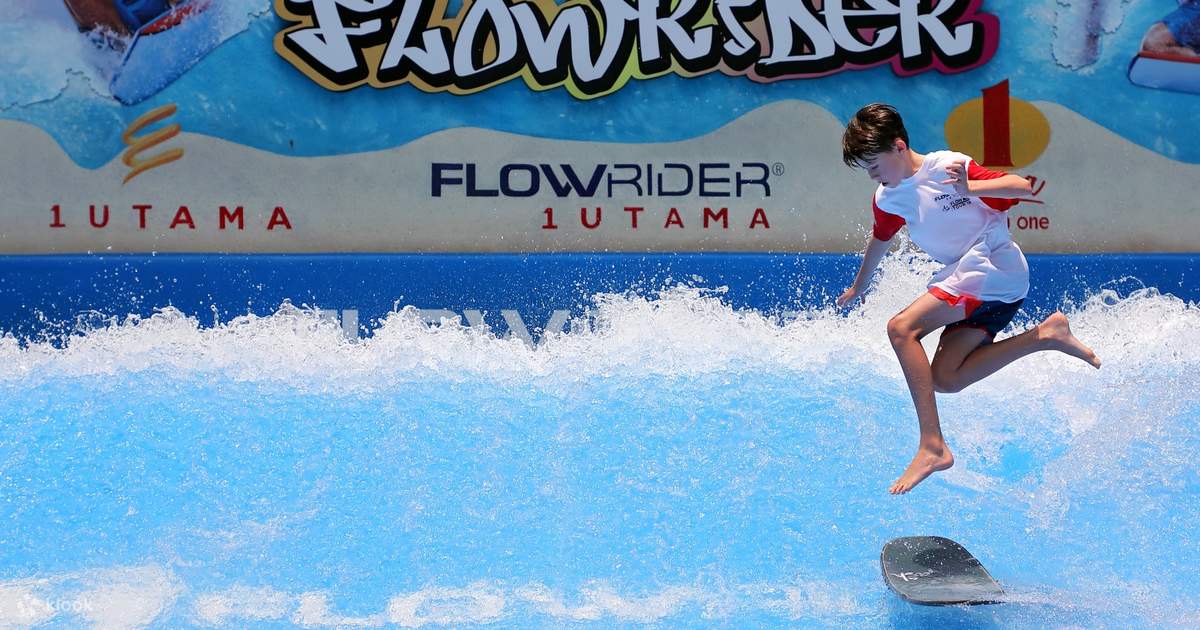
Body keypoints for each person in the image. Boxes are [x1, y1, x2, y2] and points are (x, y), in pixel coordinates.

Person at [836, 103, 1102, 495]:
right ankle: (1045, 335)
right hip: (975, 284)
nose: (872, 174)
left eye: (874, 164)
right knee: (945, 378)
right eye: (866, 169)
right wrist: (859, 286)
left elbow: (1021, 187)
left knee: (901, 329)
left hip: (993, 265)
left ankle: (932, 446)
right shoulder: (888, 198)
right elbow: (881, 239)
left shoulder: (947, 167)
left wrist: (970, 188)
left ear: (899, 146)